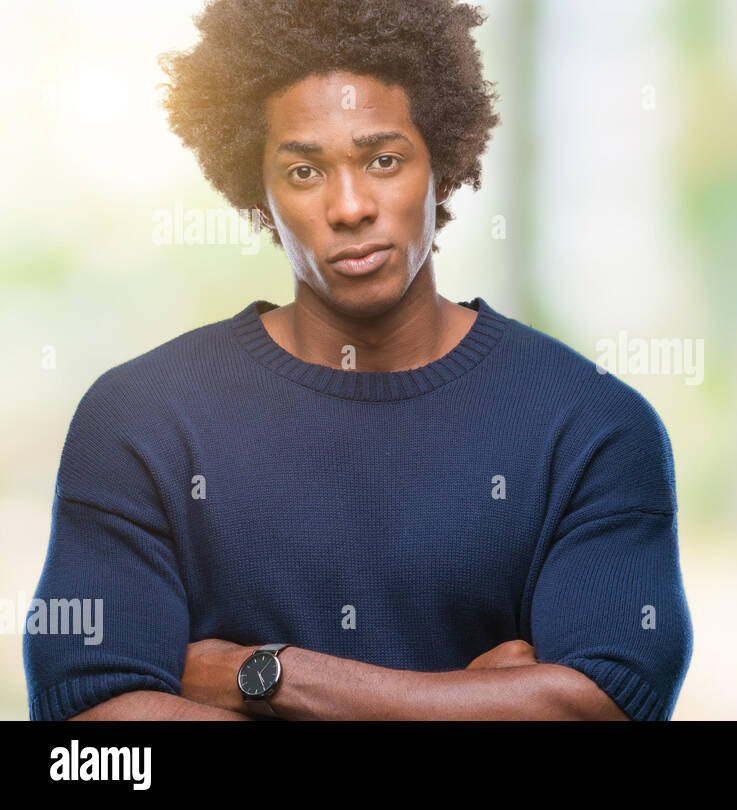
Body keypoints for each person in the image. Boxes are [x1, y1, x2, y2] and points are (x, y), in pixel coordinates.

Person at [22, 0, 691, 721]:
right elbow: (89, 737)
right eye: (305, 171)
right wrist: (464, 704)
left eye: (383, 159)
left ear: (442, 160)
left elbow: (608, 706)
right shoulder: (143, 420)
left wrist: (268, 677)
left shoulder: (590, 425)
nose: (349, 206)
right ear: (260, 192)